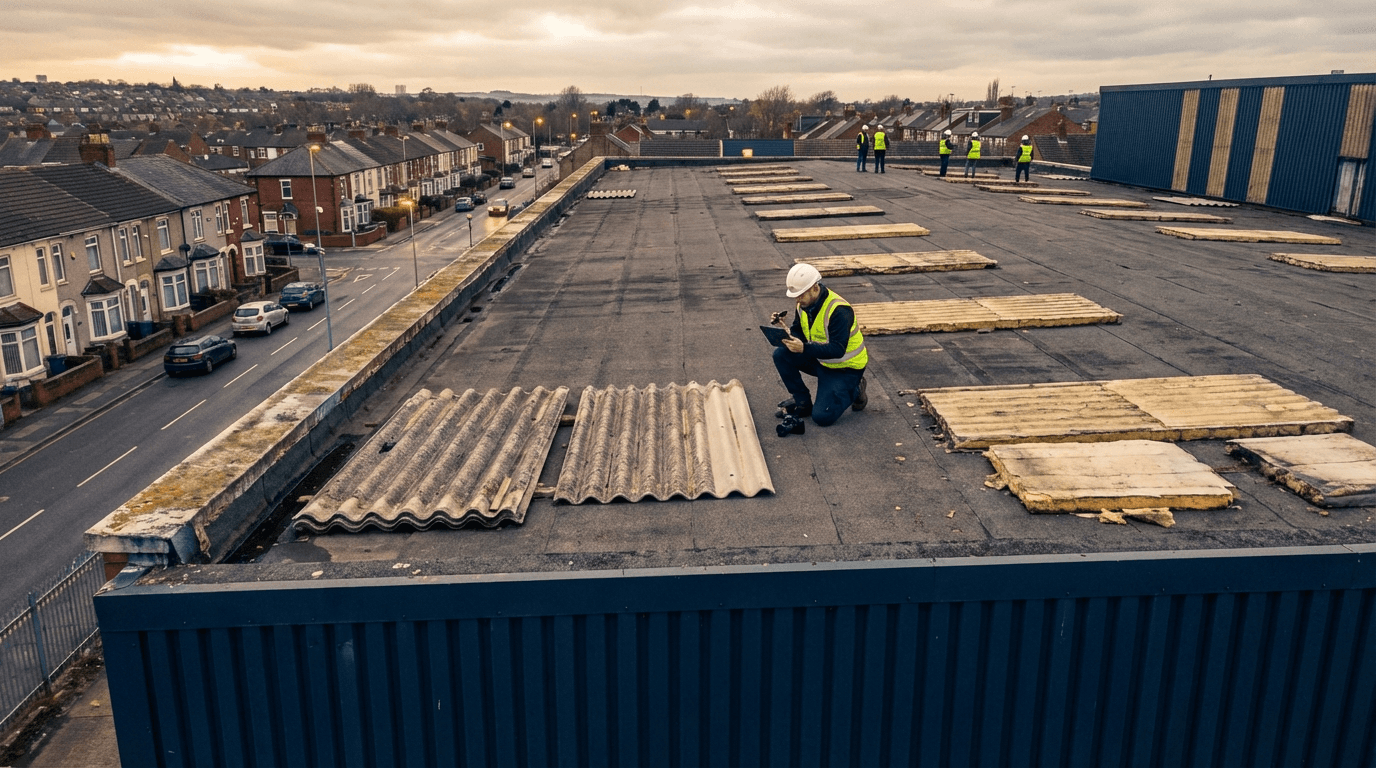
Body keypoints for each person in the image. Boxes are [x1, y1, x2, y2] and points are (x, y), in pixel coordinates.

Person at [772, 263, 869, 434]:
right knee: (781, 354)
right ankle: (802, 403)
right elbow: (798, 329)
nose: (797, 299)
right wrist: (789, 336)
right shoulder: (803, 304)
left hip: (846, 369)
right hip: (822, 361)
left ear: (815, 287)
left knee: (822, 417)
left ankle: (856, 388)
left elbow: (837, 350)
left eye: (800, 295)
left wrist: (804, 348)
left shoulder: (839, 310)